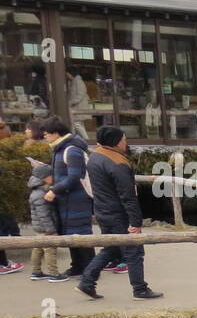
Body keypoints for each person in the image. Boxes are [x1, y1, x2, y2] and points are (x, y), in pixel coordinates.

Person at [77, 126, 163, 301]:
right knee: (134, 251)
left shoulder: (95, 156)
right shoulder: (118, 163)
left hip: (102, 210)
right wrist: (135, 222)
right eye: (124, 140)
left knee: (111, 248)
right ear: (116, 143)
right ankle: (139, 289)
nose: (126, 143)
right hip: (118, 213)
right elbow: (128, 196)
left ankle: (87, 281)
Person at [40, 116, 95, 277]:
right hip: (67, 200)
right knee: (71, 234)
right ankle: (77, 266)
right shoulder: (61, 149)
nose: (45, 136)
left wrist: (54, 190)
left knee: (81, 234)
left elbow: (73, 177)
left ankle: (90, 268)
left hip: (77, 199)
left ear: (56, 133)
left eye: (46, 133)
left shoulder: (71, 150)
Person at [26, 154, 63, 281]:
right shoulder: (40, 194)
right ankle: (54, 274)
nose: (54, 178)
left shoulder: (37, 191)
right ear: (45, 178)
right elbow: (44, 216)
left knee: (38, 248)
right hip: (45, 228)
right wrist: (51, 232)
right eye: (51, 176)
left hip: (39, 228)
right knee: (50, 249)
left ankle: (36, 271)